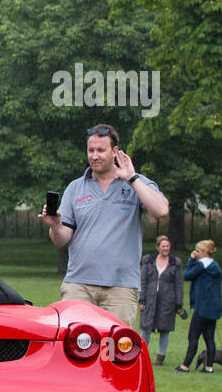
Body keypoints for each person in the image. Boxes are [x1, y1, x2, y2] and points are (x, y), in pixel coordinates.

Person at [38, 123, 170, 328]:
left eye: (101, 150)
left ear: (115, 151)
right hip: (79, 285)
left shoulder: (136, 183)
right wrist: (55, 225)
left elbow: (161, 209)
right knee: (74, 351)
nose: (94, 156)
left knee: (115, 353)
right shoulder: (76, 188)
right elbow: (61, 240)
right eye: (91, 150)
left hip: (121, 289)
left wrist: (132, 178)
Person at [178, 239, 222, 372]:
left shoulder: (201, 265)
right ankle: (209, 367)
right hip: (214, 308)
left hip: (202, 307)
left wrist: (191, 260)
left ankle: (185, 366)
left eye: (197, 250)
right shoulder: (215, 266)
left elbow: (186, 275)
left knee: (193, 337)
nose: (195, 252)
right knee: (209, 337)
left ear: (203, 253)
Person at [139, 235, 184, 365]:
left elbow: (179, 285)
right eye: (163, 246)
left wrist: (178, 303)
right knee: (145, 328)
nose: (165, 248)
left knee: (165, 329)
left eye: (167, 246)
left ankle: (160, 356)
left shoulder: (174, 263)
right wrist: (142, 300)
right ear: (158, 247)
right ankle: (143, 354)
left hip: (167, 301)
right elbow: (143, 281)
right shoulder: (148, 262)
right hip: (149, 299)